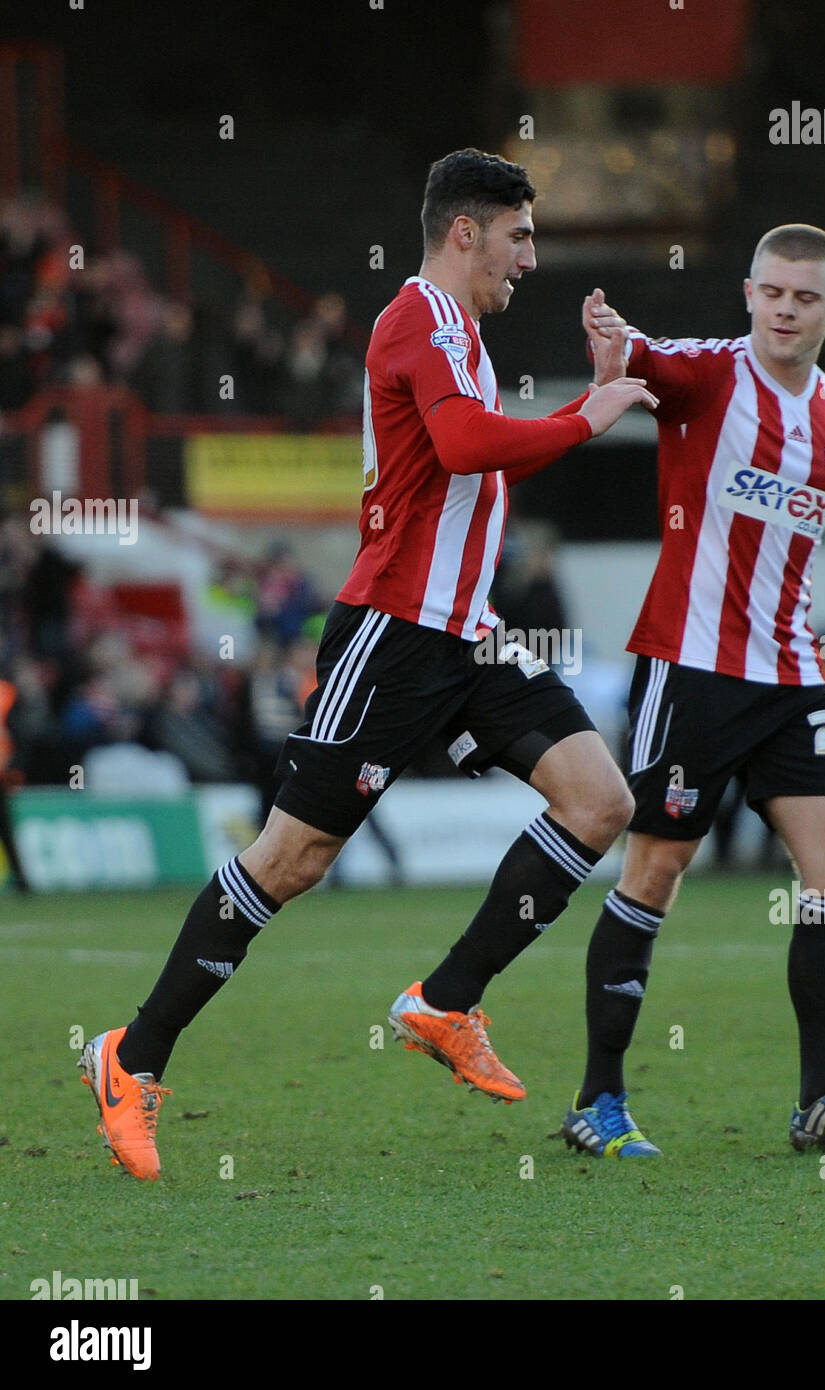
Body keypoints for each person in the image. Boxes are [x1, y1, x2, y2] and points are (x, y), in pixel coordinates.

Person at [79, 148, 657, 1180]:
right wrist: (589, 414)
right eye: (520, 236)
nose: (531, 259)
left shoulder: (464, 334)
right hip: (392, 634)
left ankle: (445, 998)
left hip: (467, 634)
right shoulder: (414, 324)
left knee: (601, 800)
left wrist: (602, 389)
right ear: (466, 231)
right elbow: (471, 446)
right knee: (292, 860)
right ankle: (132, 1054)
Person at [559, 224, 825, 1159]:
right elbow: (651, 364)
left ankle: (822, 1102)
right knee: (655, 873)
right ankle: (597, 1101)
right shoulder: (711, 376)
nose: (786, 311)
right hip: (691, 671)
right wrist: (615, 346)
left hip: (795, 678)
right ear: (749, 293)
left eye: (806, 298)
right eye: (772, 293)